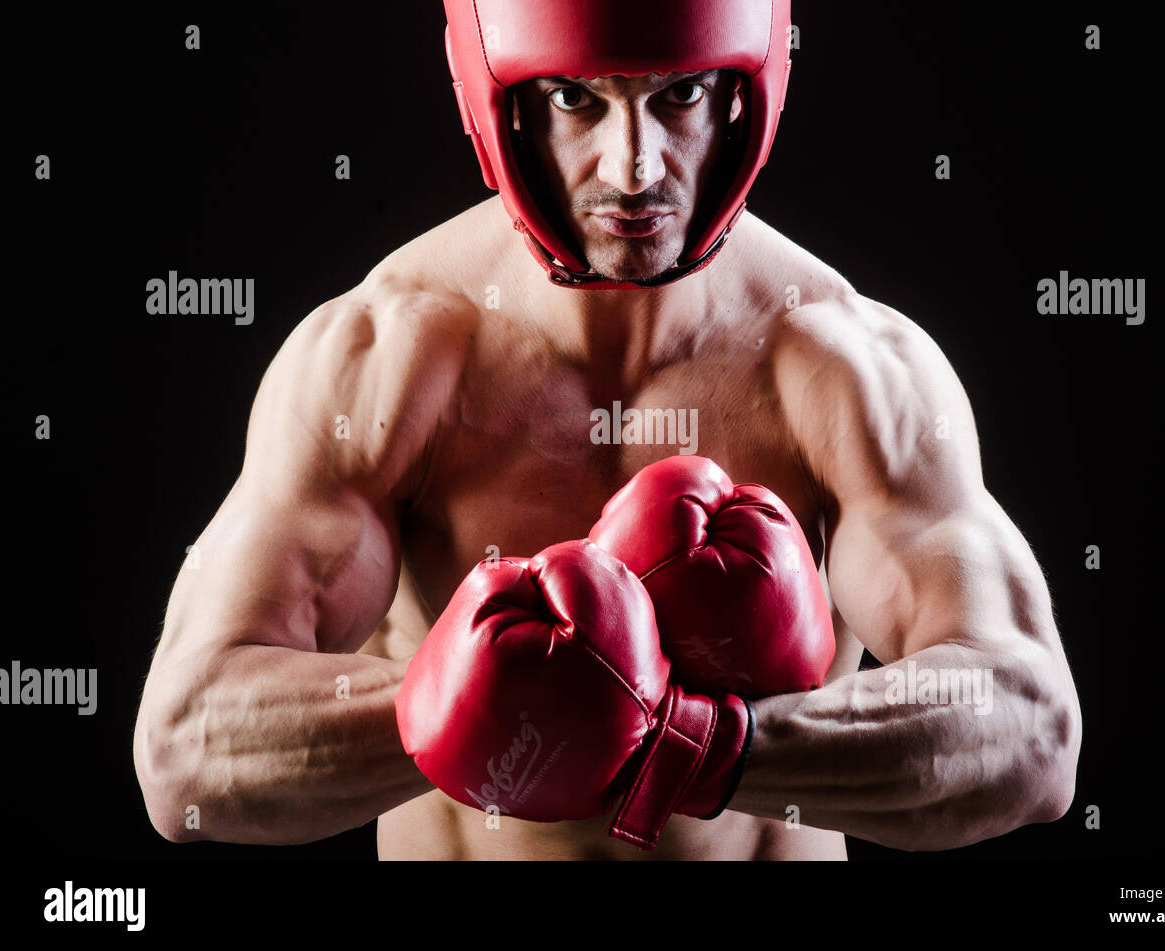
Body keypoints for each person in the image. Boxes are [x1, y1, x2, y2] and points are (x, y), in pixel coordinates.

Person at [134, 0, 1081, 860]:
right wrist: (459, 710)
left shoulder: (840, 366)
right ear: (501, 102)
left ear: (743, 97)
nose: (635, 167)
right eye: (576, 100)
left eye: (681, 95)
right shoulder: (388, 357)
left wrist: (697, 748)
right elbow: (185, 751)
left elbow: (1032, 730)